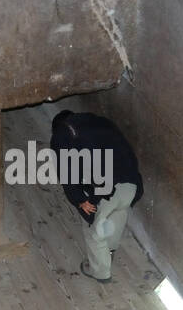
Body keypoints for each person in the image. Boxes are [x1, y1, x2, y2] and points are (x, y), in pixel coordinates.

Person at [50, 110, 144, 282]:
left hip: (108, 187)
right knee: (119, 211)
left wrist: (79, 198)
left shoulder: (62, 132)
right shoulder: (101, 121)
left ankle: (100, 273)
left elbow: (67, 169)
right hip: (132, 180)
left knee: (94, 230)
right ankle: (109, 251)